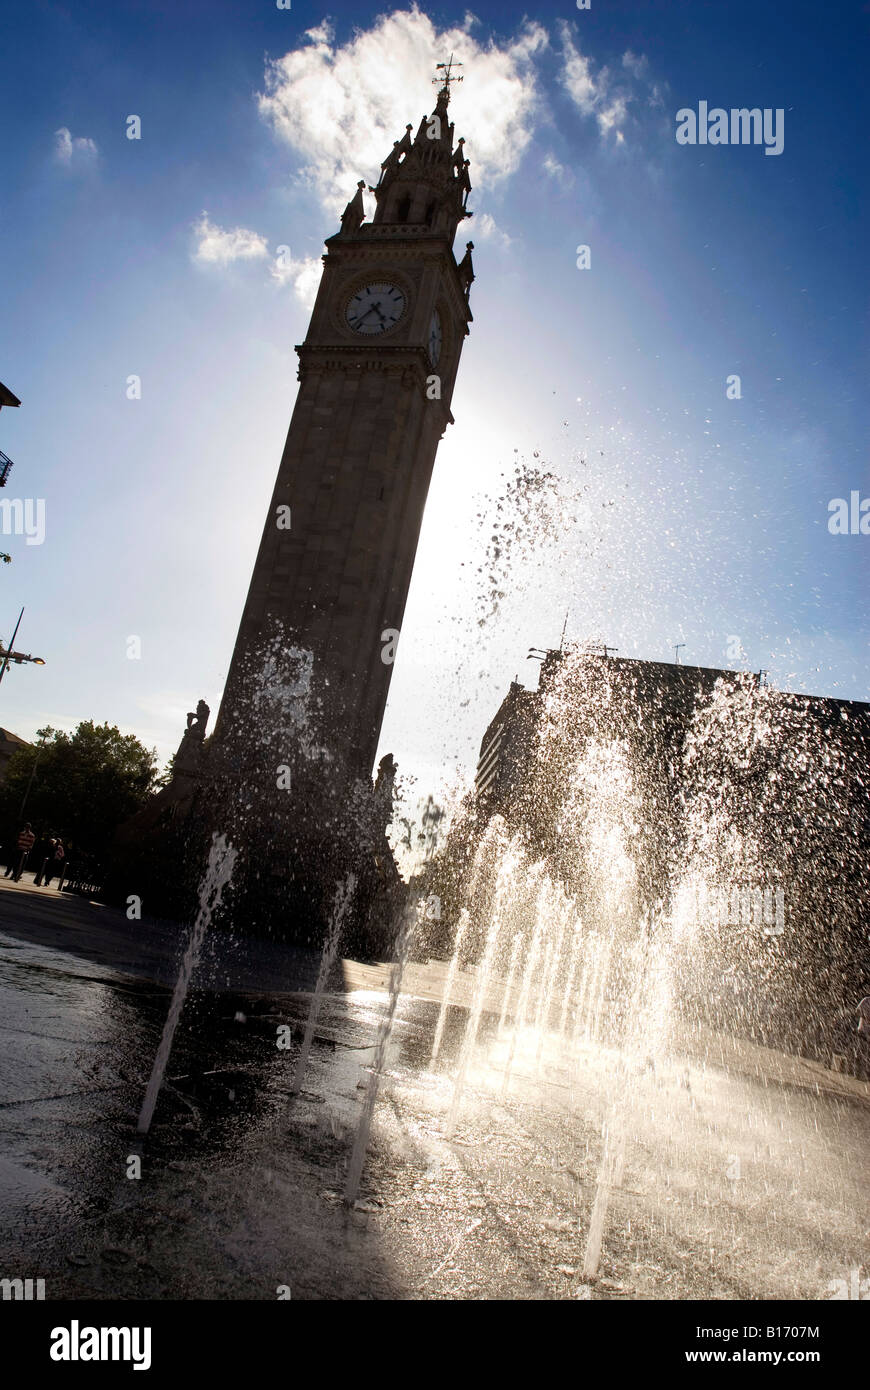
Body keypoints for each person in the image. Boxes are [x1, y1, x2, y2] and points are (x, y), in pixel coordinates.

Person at [857, 996, 870, 1080]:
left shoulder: (866, 1000)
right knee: (862, 1050)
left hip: (864, 1028)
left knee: (864, 1051)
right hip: (863, 1029)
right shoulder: (866, 1000)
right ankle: (861, 1072)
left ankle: (863, 1072)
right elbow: (858, 1011)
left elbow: (857, 1010)